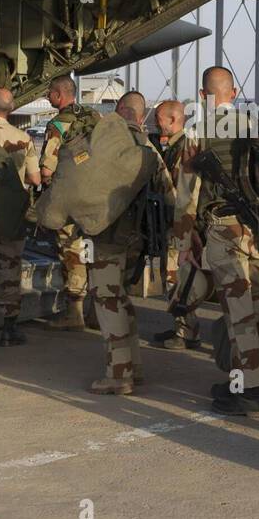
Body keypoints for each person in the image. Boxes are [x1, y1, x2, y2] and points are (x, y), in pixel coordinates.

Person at [172, 66, 259, 416]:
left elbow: (186, 195)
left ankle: (252, 391)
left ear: (203, 95)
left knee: (238, 315)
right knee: (254, 309)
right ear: (235, 91)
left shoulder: (198, 132)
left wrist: (185, 243)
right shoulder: (258, 125)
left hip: (224, 229)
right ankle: (240, 382)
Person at [83, 91, 174, 394]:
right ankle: (133, 366)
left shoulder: (108, 144)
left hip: (107, 237)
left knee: (108, 302)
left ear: (121, 110)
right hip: (138, 239)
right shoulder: (150, 150)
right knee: (122, 299)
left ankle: (119, 376)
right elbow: (170, 196)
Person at [0, 86, 42, 347]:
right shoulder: (23, 138)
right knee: (10, 268)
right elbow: (35, 178)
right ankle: (8, 329)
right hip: (11, 214)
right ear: (10, 109)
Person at [40, 74, 101, 330]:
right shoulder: (94, 117)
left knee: (73, 252)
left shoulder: (58, 123)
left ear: (58, 95)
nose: (47, 97)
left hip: (71, 200)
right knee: (96, 253)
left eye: (49, 93)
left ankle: (75, 314)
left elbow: (46, 170)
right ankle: (100, 313)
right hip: (99, 198)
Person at [151, 99, 210, 350]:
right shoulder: (173, 146)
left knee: (180, 279)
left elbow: (182, 192)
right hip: (174, 224)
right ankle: (184, 326)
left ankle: (186, 332)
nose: (156, 125)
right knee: (175, 278)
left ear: (173, 120)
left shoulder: (184, 148)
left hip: (181, 226)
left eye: (159, 120)